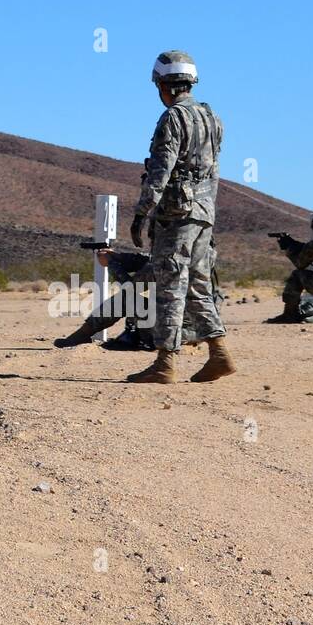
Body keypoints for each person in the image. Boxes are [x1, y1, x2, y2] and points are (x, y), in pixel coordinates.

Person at [126, 51, 235, 384]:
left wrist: (142, 213)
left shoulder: (173, 118)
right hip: (204, 214)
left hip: (177, 215)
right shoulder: (211, 117)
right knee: (198, 287)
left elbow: (161, 171)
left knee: (170, 286)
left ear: (163, 85)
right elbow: (213, 172)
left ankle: (165, 364)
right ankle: (219, 354)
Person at [53, 239, 224, 349]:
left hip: (171, 331)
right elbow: (145, 260)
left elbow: (131, 287)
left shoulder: (168, 262)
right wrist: (119, 257)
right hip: (200, 330)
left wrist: (112, 264)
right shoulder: (199, 258)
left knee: (125, 298)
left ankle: (81, 335)